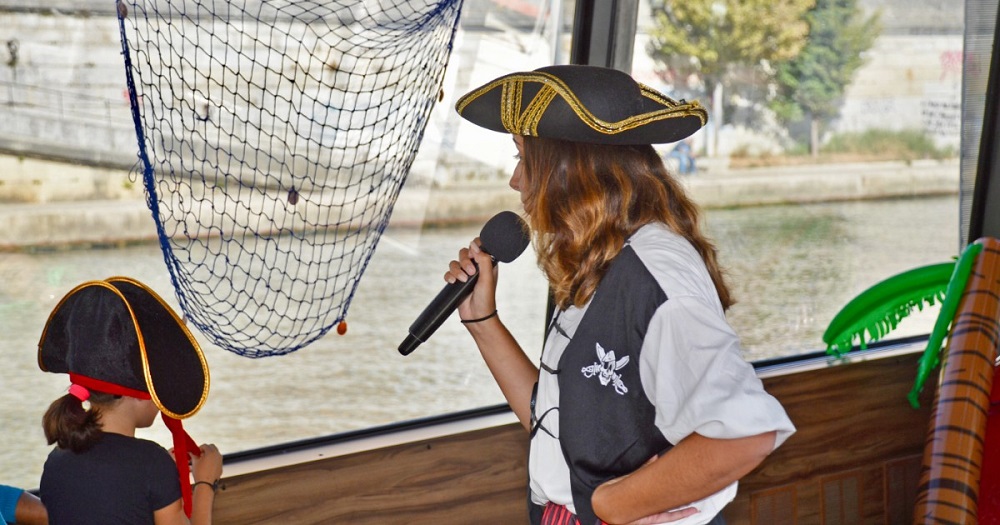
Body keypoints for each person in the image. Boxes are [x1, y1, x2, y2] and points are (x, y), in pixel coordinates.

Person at [448, 65, 796, 525]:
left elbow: (746, 432)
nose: (516, 181)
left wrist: (609, 505)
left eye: (523, 158)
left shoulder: (656, 273)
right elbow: (560, 422)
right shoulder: (599, 261)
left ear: (571, 167)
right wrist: (483, 323)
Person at [36, 276, 222, 525]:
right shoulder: (150, 463)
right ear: (138, 393)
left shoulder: (57, 461)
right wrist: (205, 482)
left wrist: (161, 475)